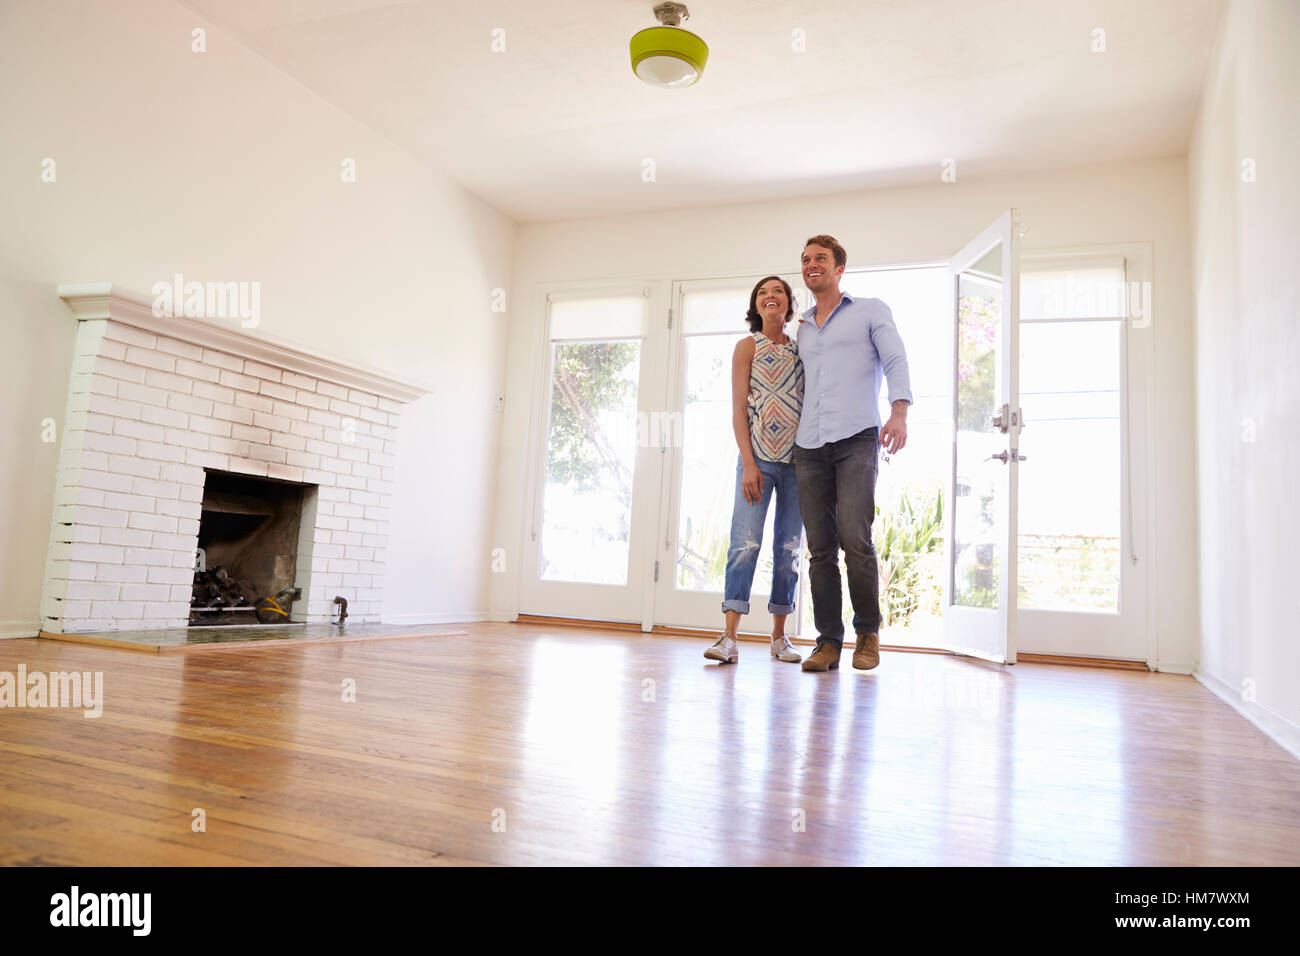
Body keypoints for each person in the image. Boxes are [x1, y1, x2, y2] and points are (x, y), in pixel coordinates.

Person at [793, 235, 913, 673]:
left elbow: (896, 358)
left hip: (857, 438)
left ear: (839, 267)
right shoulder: (802, 326)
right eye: (805, 260)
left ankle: (868, 635)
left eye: (820, 258)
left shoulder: (869, 310)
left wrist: (898, 412)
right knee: (820, 550)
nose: (811, 265)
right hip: (807, 446)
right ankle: (828, 642)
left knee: (854, 539)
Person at [704, 276, 805, 665]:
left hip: (797, 463)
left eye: (777, 291)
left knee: (789, 549)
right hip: (758, 459)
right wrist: (748, 463)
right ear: (755, 306)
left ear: (788, 302)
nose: (770, 297)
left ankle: (779, 637)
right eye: (762, 294)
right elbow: (737, 411)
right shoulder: (747, 346)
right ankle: (729, 638)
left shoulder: (800, 351)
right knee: (745, 545)